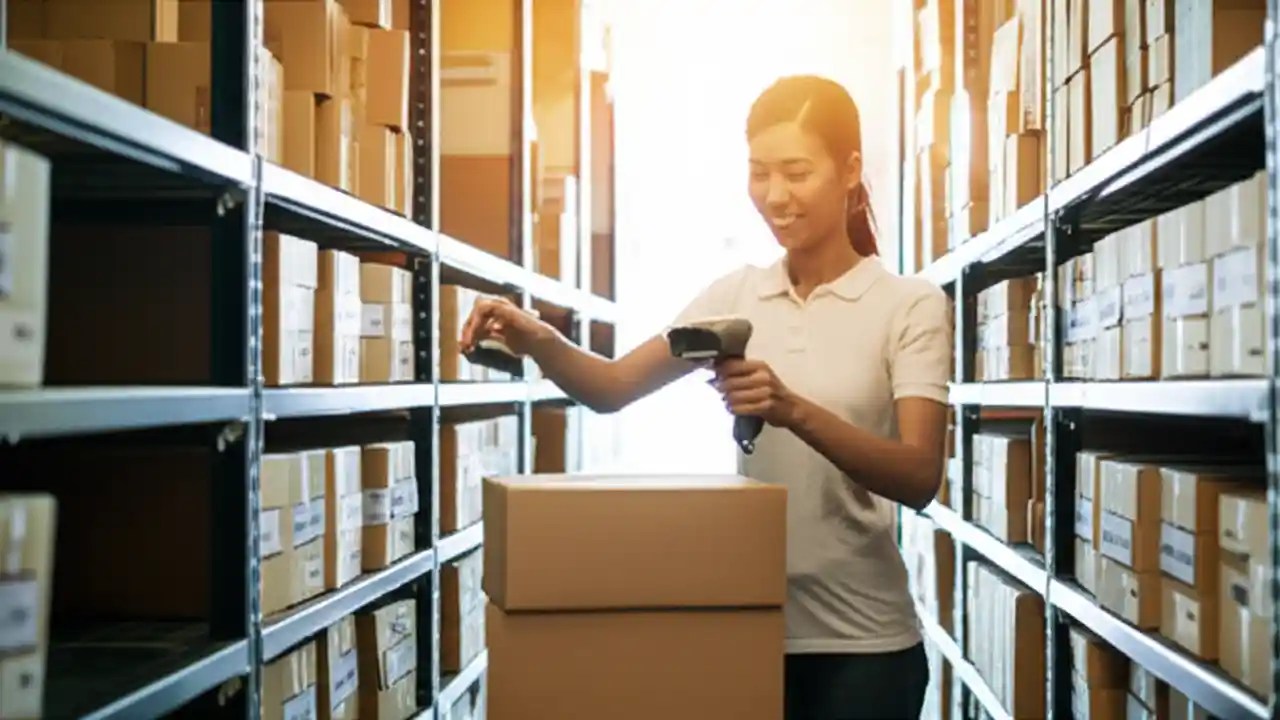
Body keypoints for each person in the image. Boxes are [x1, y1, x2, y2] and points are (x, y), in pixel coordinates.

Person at [460, 74, 951, 720]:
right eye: (760, 173)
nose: (776, 196)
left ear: (850, 169)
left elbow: (919, 475)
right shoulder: (736, 297)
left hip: (866, 649)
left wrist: (790, 408)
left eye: (797, 172)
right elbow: (612, 389)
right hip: (746, 628)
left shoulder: (908, 305)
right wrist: (538, 340)